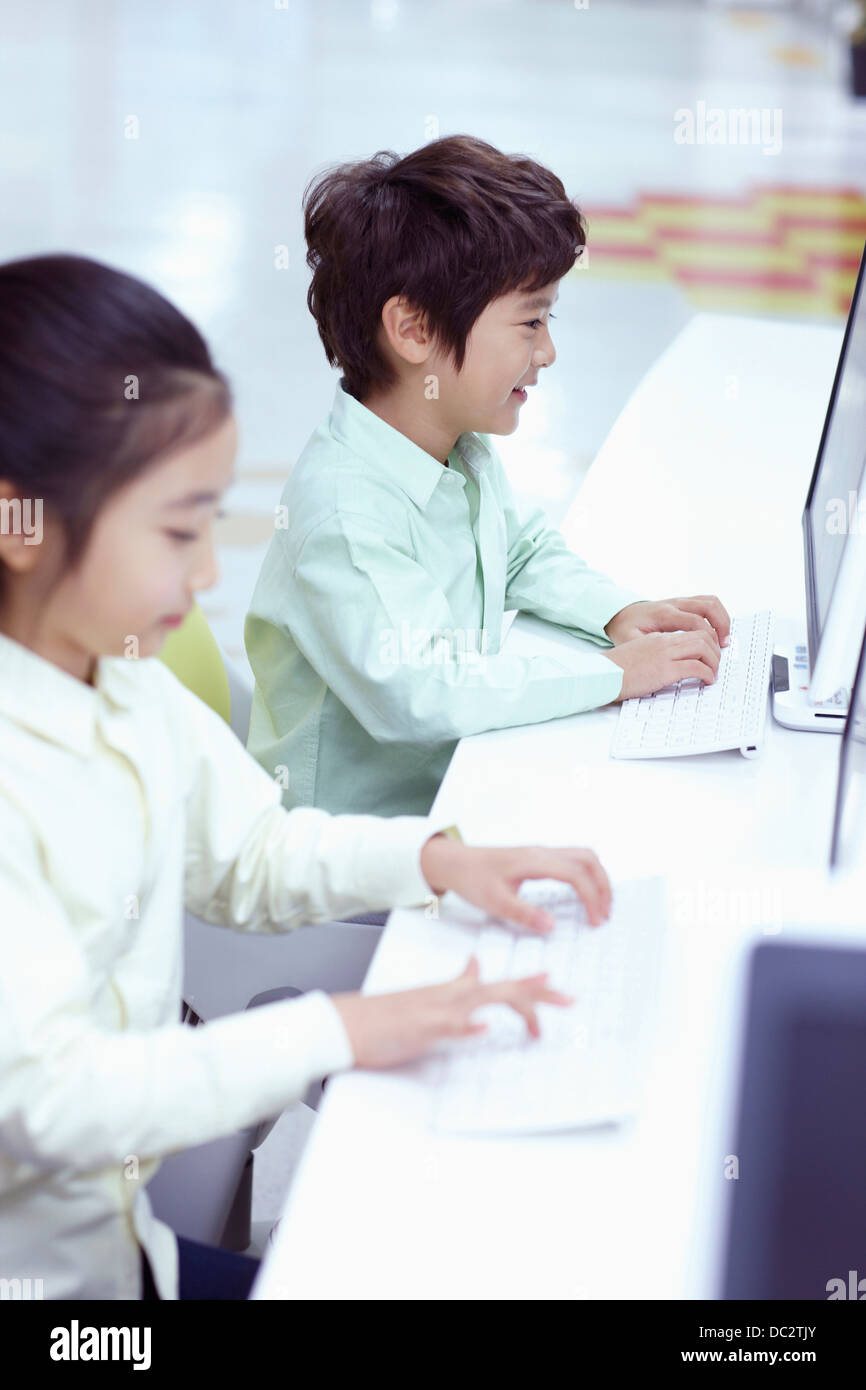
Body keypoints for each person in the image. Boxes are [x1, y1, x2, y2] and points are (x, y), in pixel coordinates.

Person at [0, 253, 612, 1300]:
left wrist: (435, 859)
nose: (203, 579)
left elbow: (253, 852)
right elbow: (51, 1099)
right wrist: (342, 1028)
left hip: (119, 1255)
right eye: (177, 531)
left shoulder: (119, 678)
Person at [244, 133, 730, 818]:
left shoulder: (453, 440)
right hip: (350, 869)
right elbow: (425, 690)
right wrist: (611, 676)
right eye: (530, 321)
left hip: (449, 801)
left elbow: (519, 547)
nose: (548, 351)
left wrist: (616, 615)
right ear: (412, 330)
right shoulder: (345, 519)